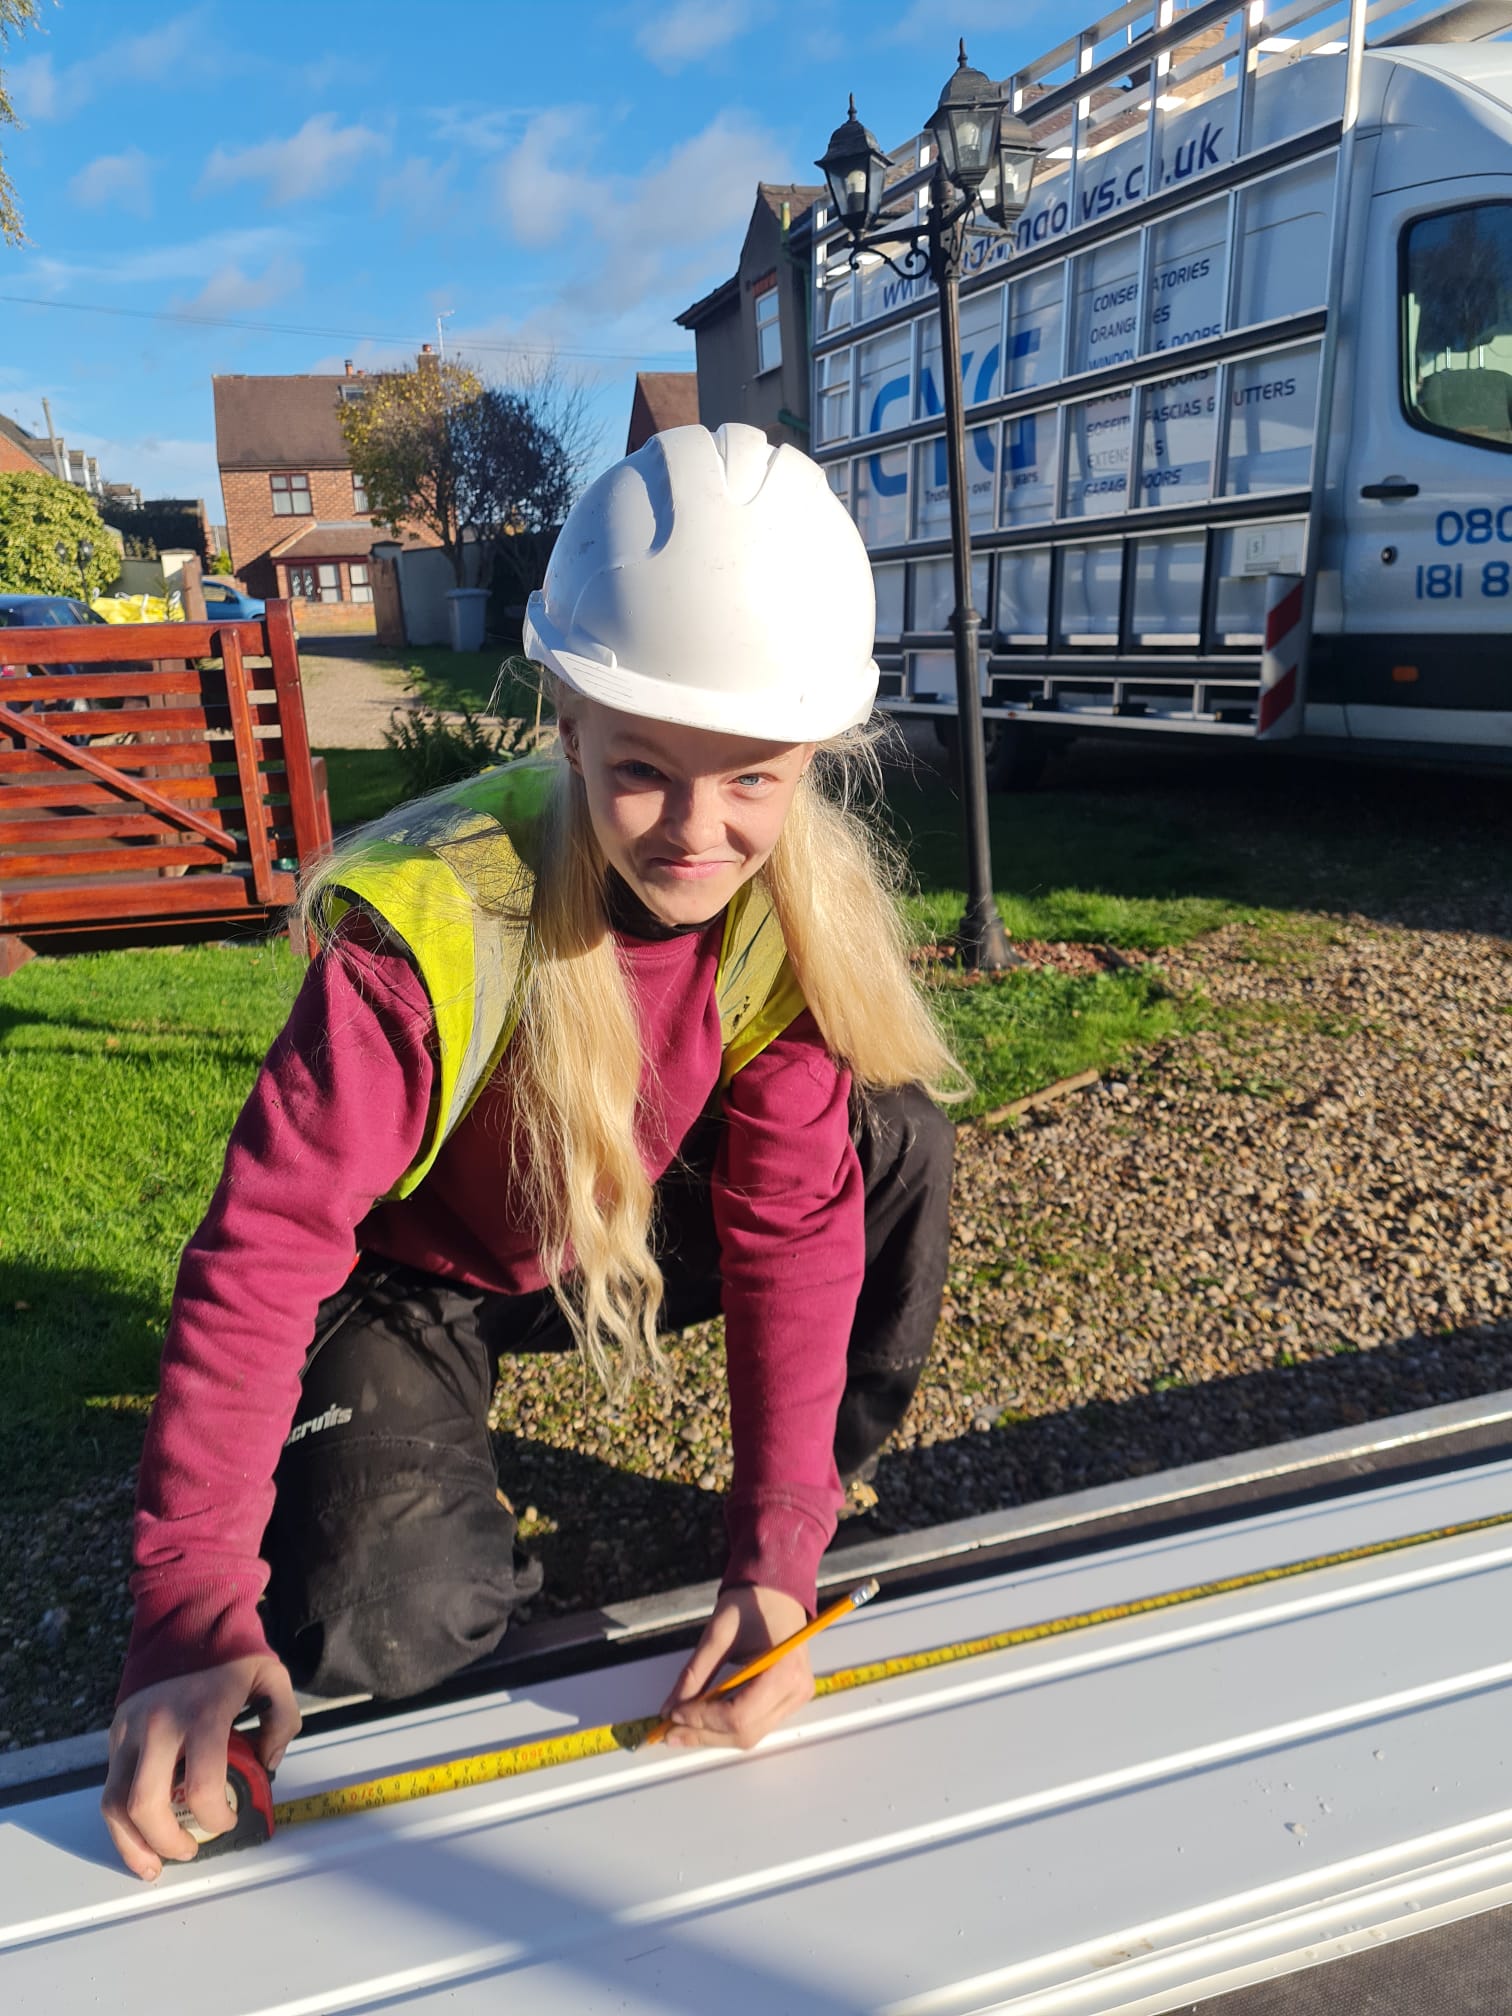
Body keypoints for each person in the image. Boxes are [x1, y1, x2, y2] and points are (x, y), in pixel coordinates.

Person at [101, 422, 958, 1880]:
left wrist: (776, 1556)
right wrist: (187, 1607)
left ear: (811, 760)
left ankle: (813, 1494)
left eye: (754, 782)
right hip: (416, 1277)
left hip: (601, 1221)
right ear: (566, 724)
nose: (696, 834)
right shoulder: (433, 929)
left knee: (894, 1148)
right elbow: (263, 1256)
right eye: (643, 770)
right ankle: (419, 1486)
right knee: (387, 1629)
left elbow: (790, 1231)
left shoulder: (784, 921)